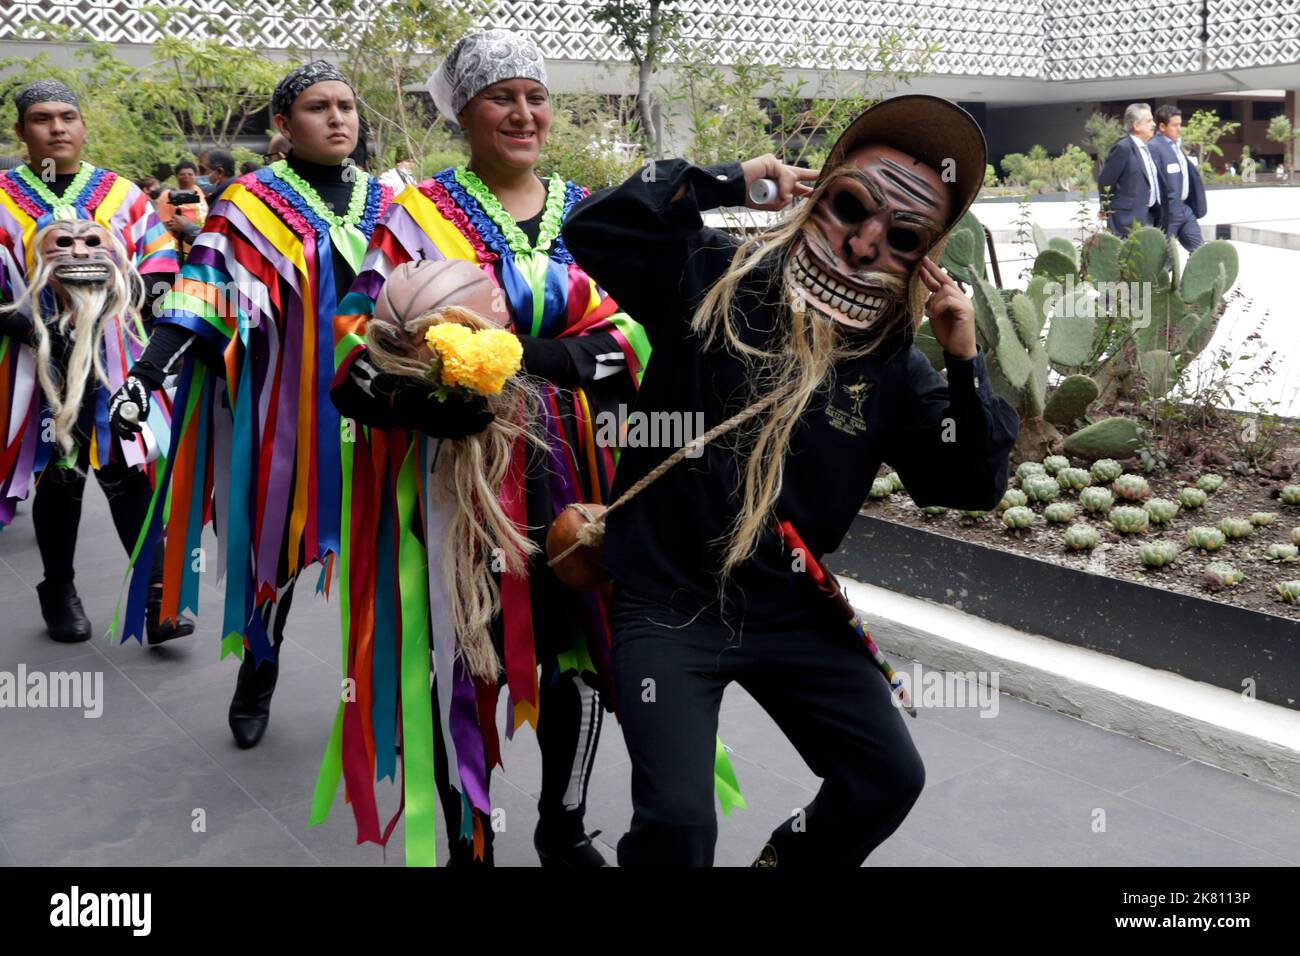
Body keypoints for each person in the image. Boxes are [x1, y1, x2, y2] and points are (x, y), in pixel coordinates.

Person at [560, 94, 1019, 867]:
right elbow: (597, 228)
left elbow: (969, 482)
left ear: (922, 257)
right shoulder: (710, 277)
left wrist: (965, 357)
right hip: (669, 601)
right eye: (851, 206)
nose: (867, 241)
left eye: (902, 236)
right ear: (821, 195)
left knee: (886, 778)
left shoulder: (895, 367)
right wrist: (724, 181)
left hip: (789, 608)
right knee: (677, 824)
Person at [315, 28, 649, 867]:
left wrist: (551, 358)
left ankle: (563, 825)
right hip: (455, 481)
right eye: (502, 96)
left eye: (535, 95)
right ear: (463, 110)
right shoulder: (415, 216)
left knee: (578, 644)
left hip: (576, 470)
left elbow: (638, 337)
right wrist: (427, 403)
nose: (524, 111)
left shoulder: (591, 213)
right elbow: (355, 347)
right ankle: (466, 831)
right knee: (456, 650)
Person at [108, 62, 473, 751]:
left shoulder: (396, 200)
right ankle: (259, 666)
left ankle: (391, 695)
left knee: (393, 553)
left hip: (385, 409)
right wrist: (148, 372)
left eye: (346, 106)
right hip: (288, 412)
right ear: (283, 126)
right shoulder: (247, 203)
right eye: (317, 107)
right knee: (276, 549)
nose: (339, 118)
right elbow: (201, 296)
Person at [0, 80, 192, 645]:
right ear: (21, 131)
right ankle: (59, 590)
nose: (57, 128)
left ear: (83, 126)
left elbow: (159, 264)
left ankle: (157, 596)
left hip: (115, 360)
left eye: (67, 116)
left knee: (128, 468)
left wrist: (131, 308)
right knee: (62, 479)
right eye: (41, 119)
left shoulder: (124, 195)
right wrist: (28, 323)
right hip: (35, 370)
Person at [1097, 102, 1163, 237]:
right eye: (1149, 121)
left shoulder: (1148, 148)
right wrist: (1105, 210)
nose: (1154, 124)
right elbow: (1106, 181)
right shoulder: (1123, 148)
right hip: (1126, 220)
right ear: (1136, 125)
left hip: (1149, 216)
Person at [1149, 105, 1205, 253]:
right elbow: (1153, 182)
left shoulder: (1176, 146)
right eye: (1175, 125)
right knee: (1164, 260)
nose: (1179, 129)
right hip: (1167, 213)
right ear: (1162, 126)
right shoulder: (1154, 147)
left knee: (1201, 252)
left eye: (1180, 124)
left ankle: (1196, 277)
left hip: (1185, 209)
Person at [155, 160, 209, 261]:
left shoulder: (198, 191)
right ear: (176, 176)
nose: (186, 177)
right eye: (182, 174)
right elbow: (163, 224)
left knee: (193, 276)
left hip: (198, 243)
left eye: (190, 174)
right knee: (179, 275)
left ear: (195, 175)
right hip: (178, 248)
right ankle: (178, 277)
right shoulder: (168, 195)